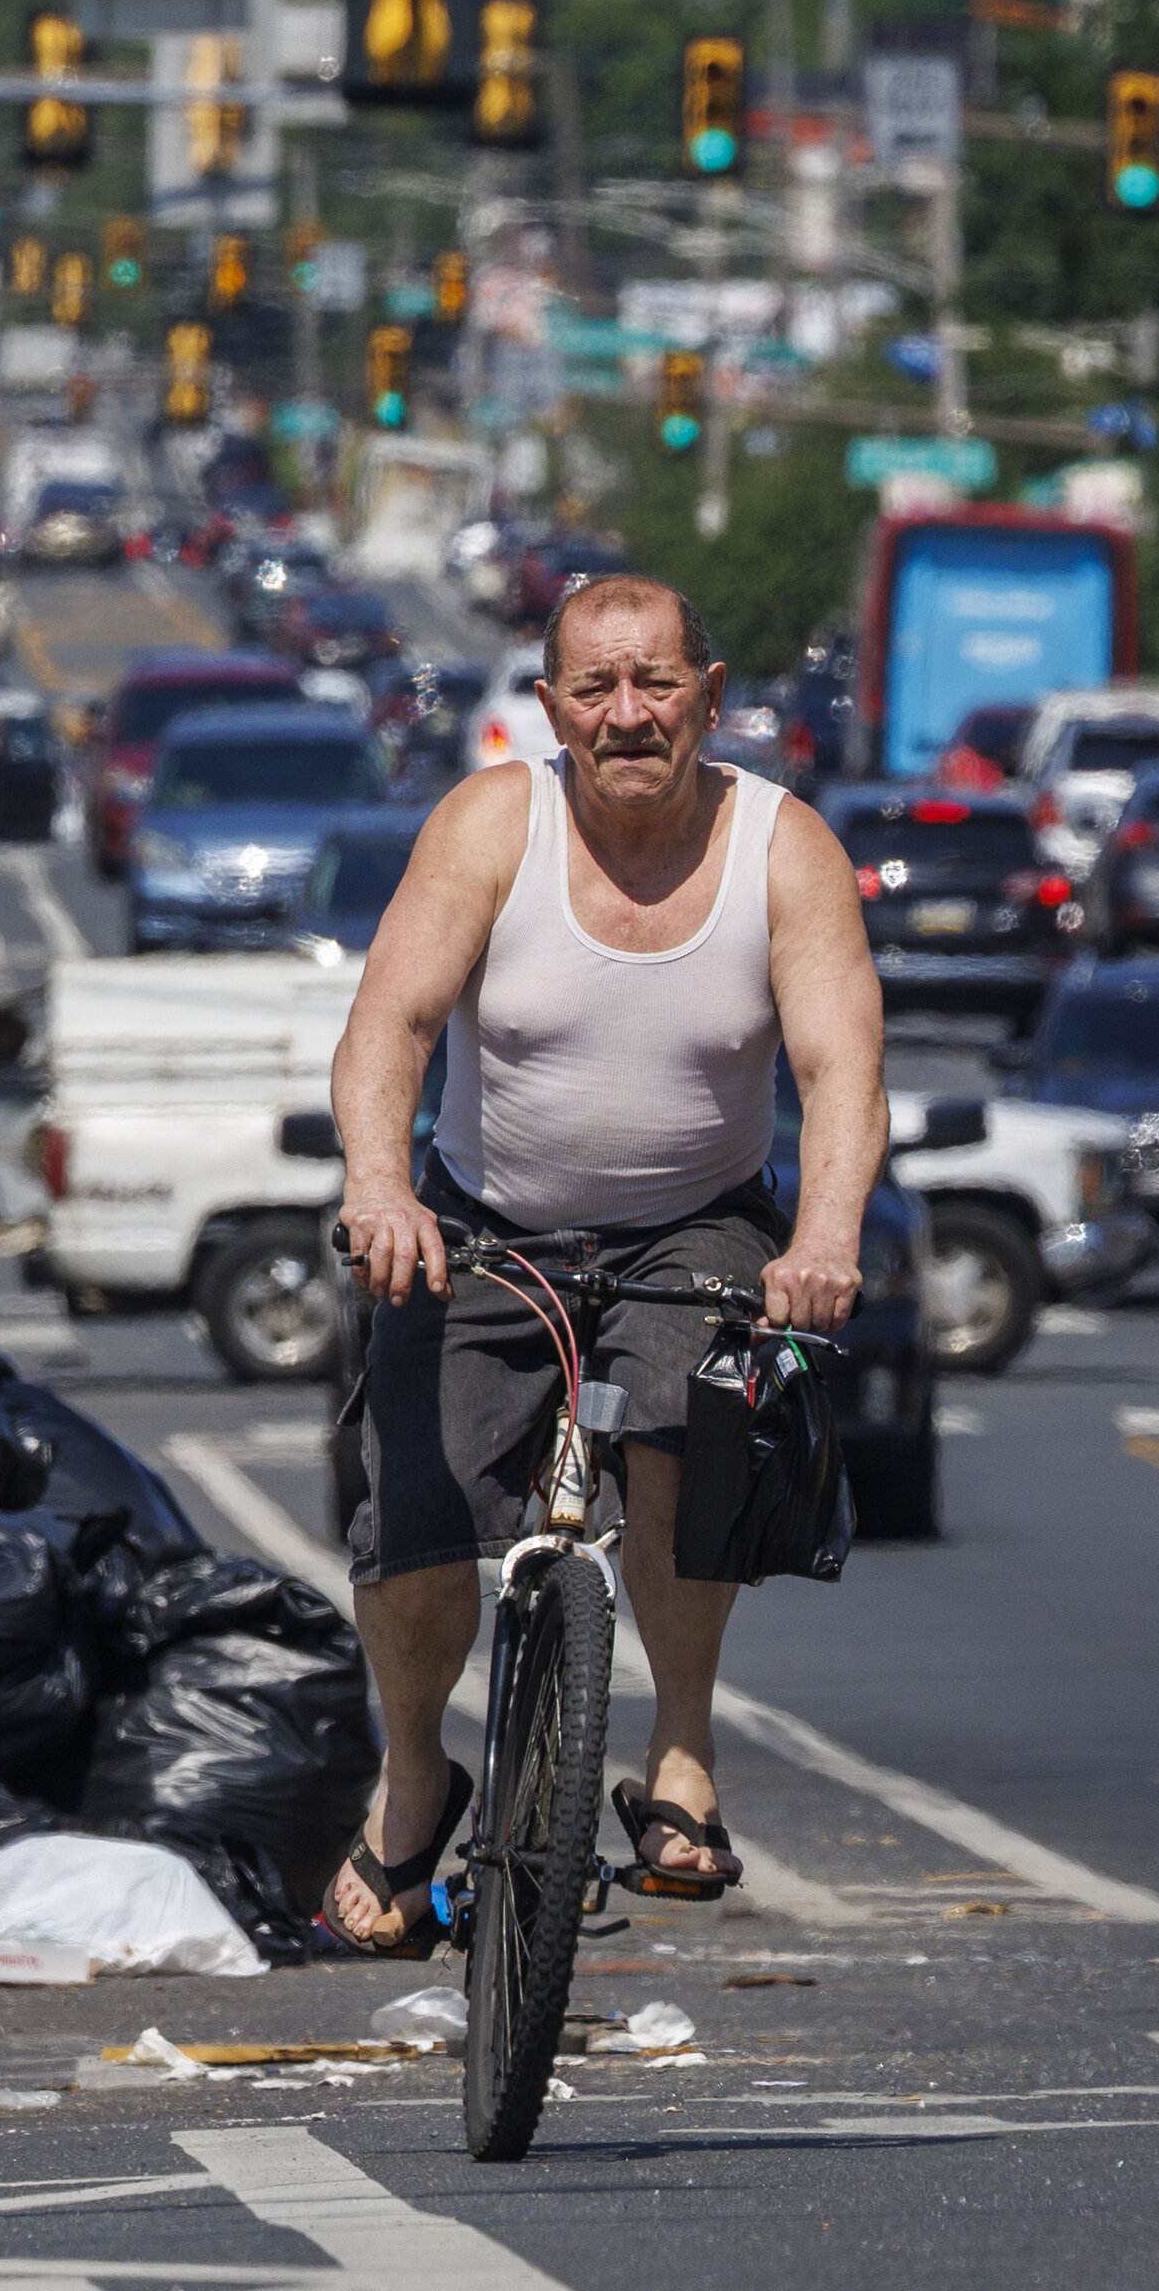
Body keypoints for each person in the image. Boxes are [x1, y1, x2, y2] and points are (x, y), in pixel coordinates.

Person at [318, 573, 884, 1953]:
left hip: (694, 1220)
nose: (627, 716)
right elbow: (388, 1028)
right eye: (595, 689)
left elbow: (842, 1066)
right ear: (554, 706)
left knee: (701, 1429)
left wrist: (824, 1240)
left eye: (653, 684)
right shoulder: (491, 826)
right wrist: (382, 1190)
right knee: (420, 1516)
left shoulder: (781, 848)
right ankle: (413, 1778)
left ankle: (680, 1756)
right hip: (483, 1220)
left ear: (707, 689)